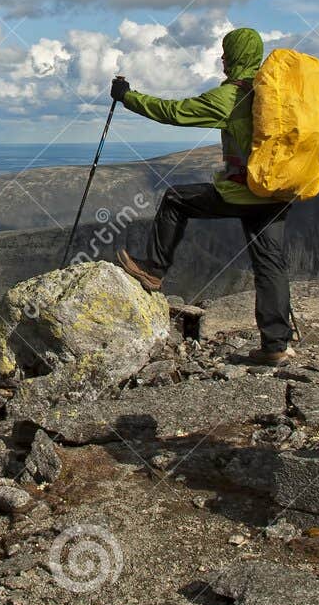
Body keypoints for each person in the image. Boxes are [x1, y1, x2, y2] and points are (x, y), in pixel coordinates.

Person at [111, 27, 296, 365]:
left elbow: (175, 112)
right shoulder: (277, 93)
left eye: (227, 52)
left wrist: (127, 97)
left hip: (244, 191)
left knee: (174, 200)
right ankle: (276, 346)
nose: (223, 59)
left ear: (237, 56)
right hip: (277, 190)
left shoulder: (233, 96)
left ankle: (154, 268)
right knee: (271, 264)